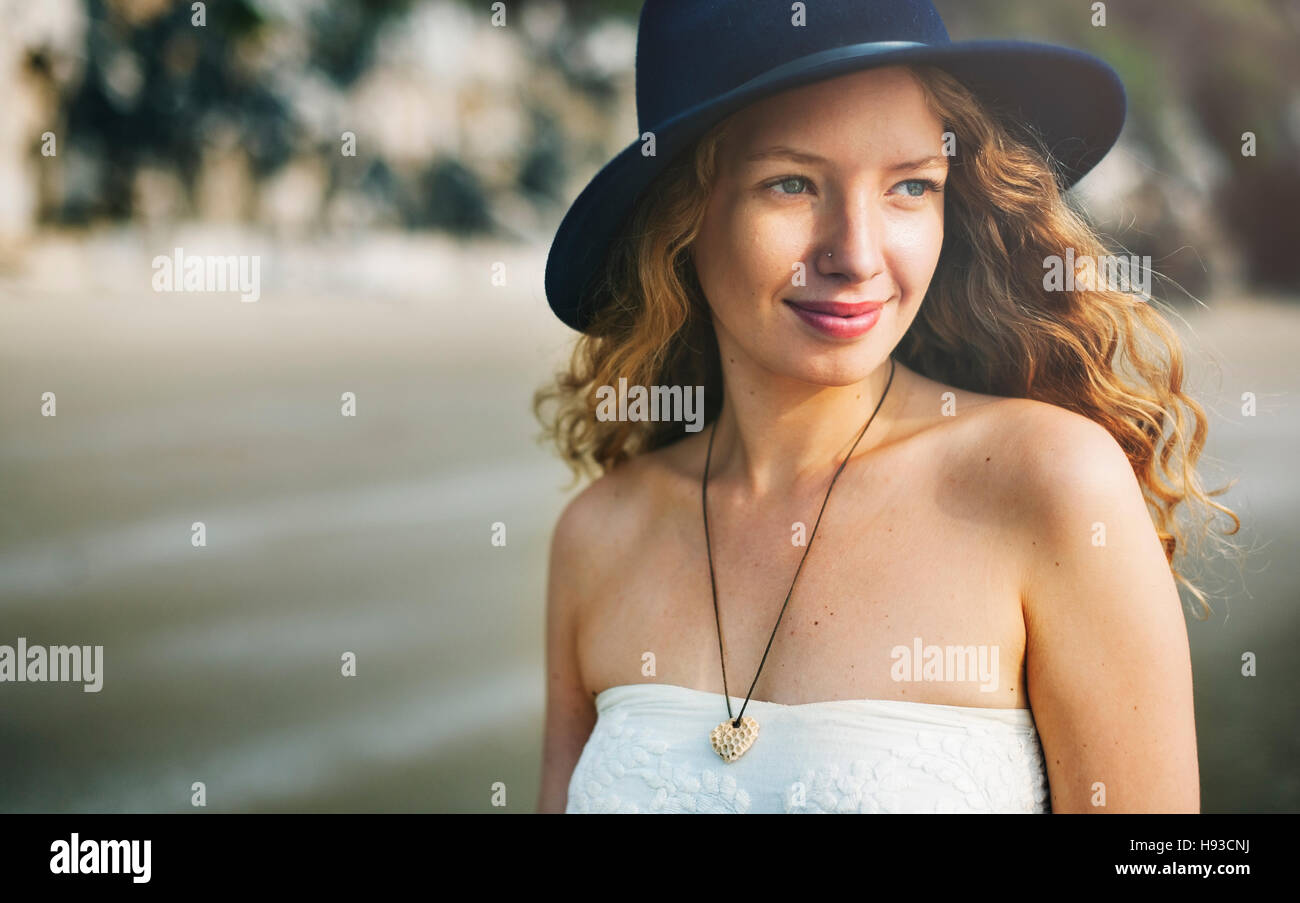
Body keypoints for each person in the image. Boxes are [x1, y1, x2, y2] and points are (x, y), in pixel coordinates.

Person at [534, 0, 1237, 813]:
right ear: (681, 216)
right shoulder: (597, 537)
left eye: (910, 185)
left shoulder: (1052, 484)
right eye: (791, 183)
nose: (858, 255)